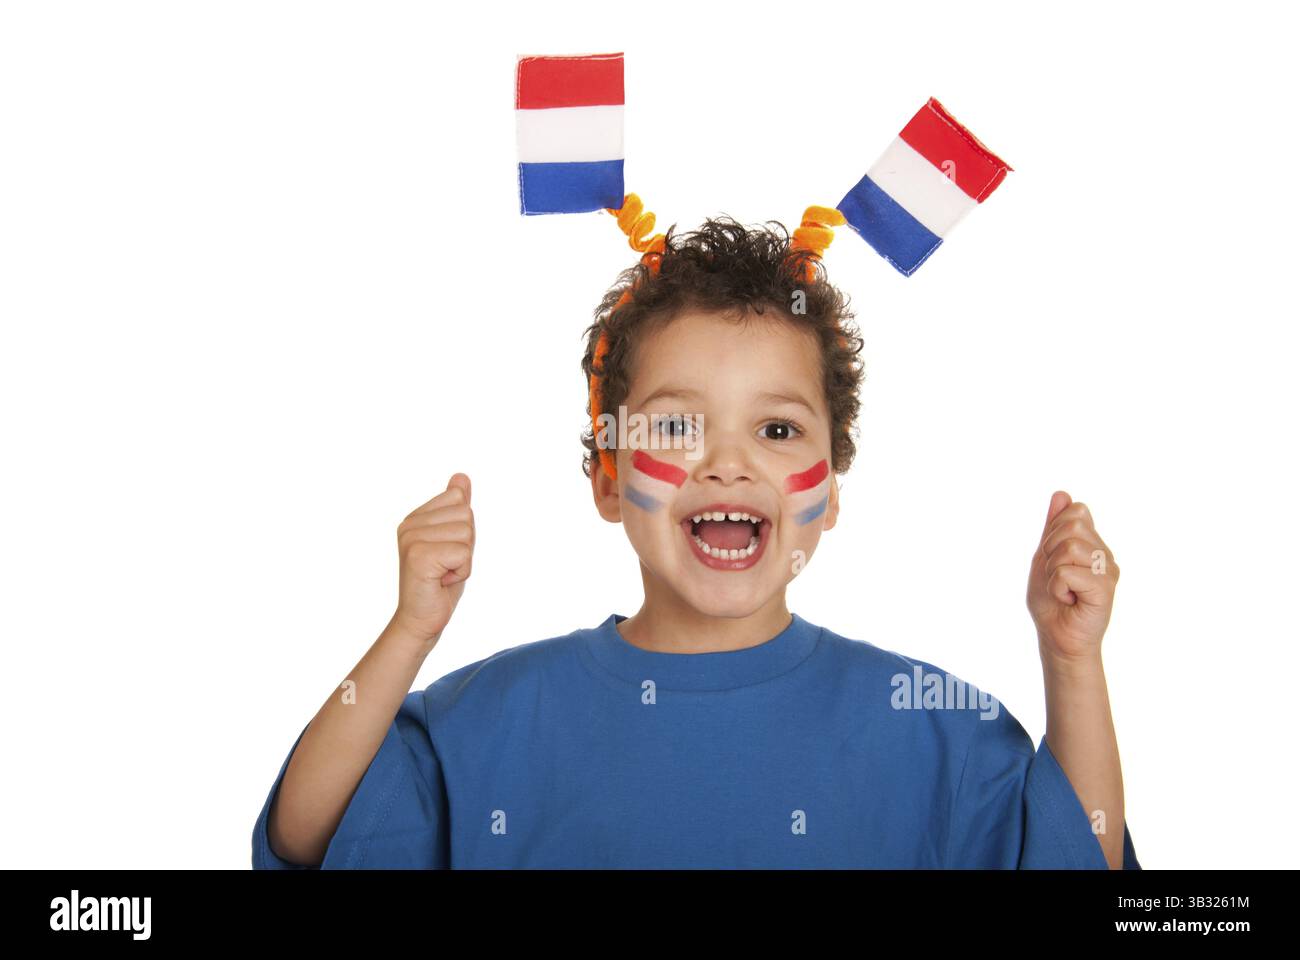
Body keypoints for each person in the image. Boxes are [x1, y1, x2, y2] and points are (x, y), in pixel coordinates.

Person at [251, 200, 1140, 869]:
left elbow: (1080, 858)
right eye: (675, 428)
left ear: (829, 492)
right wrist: (410, 631)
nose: (727, 465)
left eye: (779, 430)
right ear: (608, 476)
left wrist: (1071, 663)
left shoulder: (941, 730)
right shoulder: (484, 719)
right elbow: (307, 837)